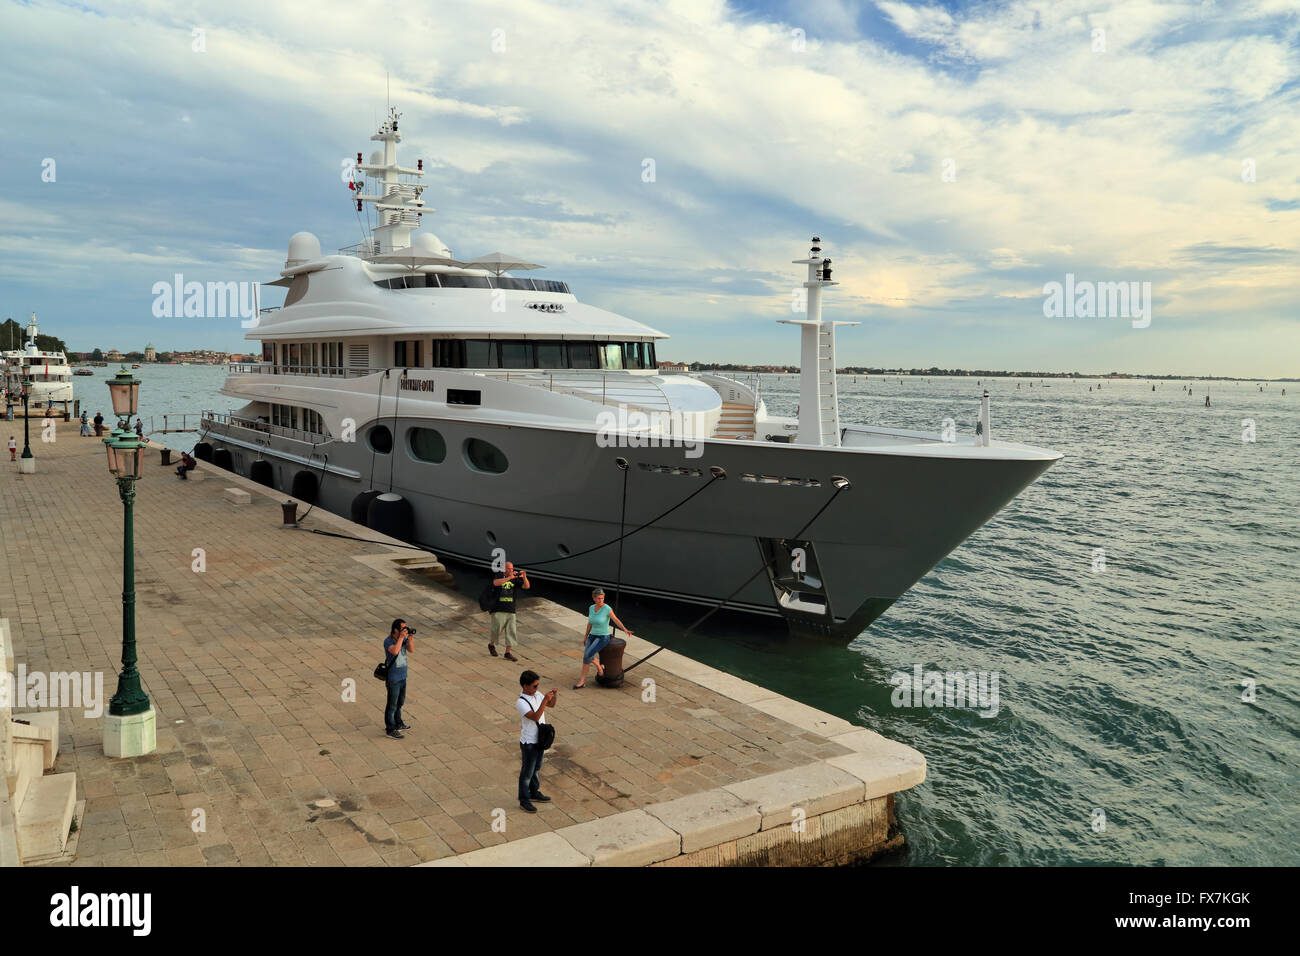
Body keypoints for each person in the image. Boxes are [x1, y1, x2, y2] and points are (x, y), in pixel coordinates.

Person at [573, 587, 634, 689]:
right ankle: (583, 680)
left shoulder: (607, 609)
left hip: (602, 637)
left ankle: (600, 669)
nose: (601, 600)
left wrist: (625, 629)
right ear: (594, 598)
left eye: (602, 598)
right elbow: (590, 623)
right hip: (592, 636)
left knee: (587, 655)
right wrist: (585, 636)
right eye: (599, 598)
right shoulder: (591, 608)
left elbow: (615, 619)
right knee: (586, 658)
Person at [516, 670, 556, 813]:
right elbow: (535, 716)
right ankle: (524, 799)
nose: (537, 689)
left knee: (536, 768)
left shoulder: (537, 694)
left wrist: (552, 697)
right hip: (529, 742)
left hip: (539, 740)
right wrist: (545, 700)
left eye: (537, 685)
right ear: (525, 686)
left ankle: (534, 792)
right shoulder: (521, 702)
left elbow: (551, 706)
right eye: (534, 686)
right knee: (527, 772)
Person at [488, 562, 529, 662]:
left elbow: (526, 586)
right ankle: (491, 645)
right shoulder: (499, 575)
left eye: (511, 568)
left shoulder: (515, 579)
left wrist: (524, 577)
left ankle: (507, 653)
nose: (511, 570)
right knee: (496, 630)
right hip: (498, 608)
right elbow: (495, 583)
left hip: (511, 609)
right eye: (508, 568)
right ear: (504, 569)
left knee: (511, 631)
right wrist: (509, 578)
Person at [382, 618, 413, 739]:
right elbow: (395, 651)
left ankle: (398, 722)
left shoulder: (403, 638)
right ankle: (390, 729)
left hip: (403, 676)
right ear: (396, 630)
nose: (405, 630)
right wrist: (401, 638)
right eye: (402, 629)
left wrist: (409, 639)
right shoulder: (388, 641)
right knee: (392, 705)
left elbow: (411, 650)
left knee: (400, 702)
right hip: (393, 678)